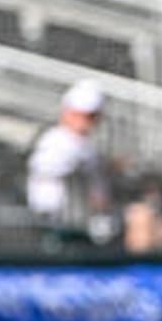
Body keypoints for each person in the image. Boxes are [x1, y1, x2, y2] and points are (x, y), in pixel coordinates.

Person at [26, 79, 110, 224]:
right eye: (80, 115)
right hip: (55, 220)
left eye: (90, 116)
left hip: (80, 222)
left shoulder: (85, 147)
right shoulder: (55, 140)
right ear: (67, 112)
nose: (85, 122)